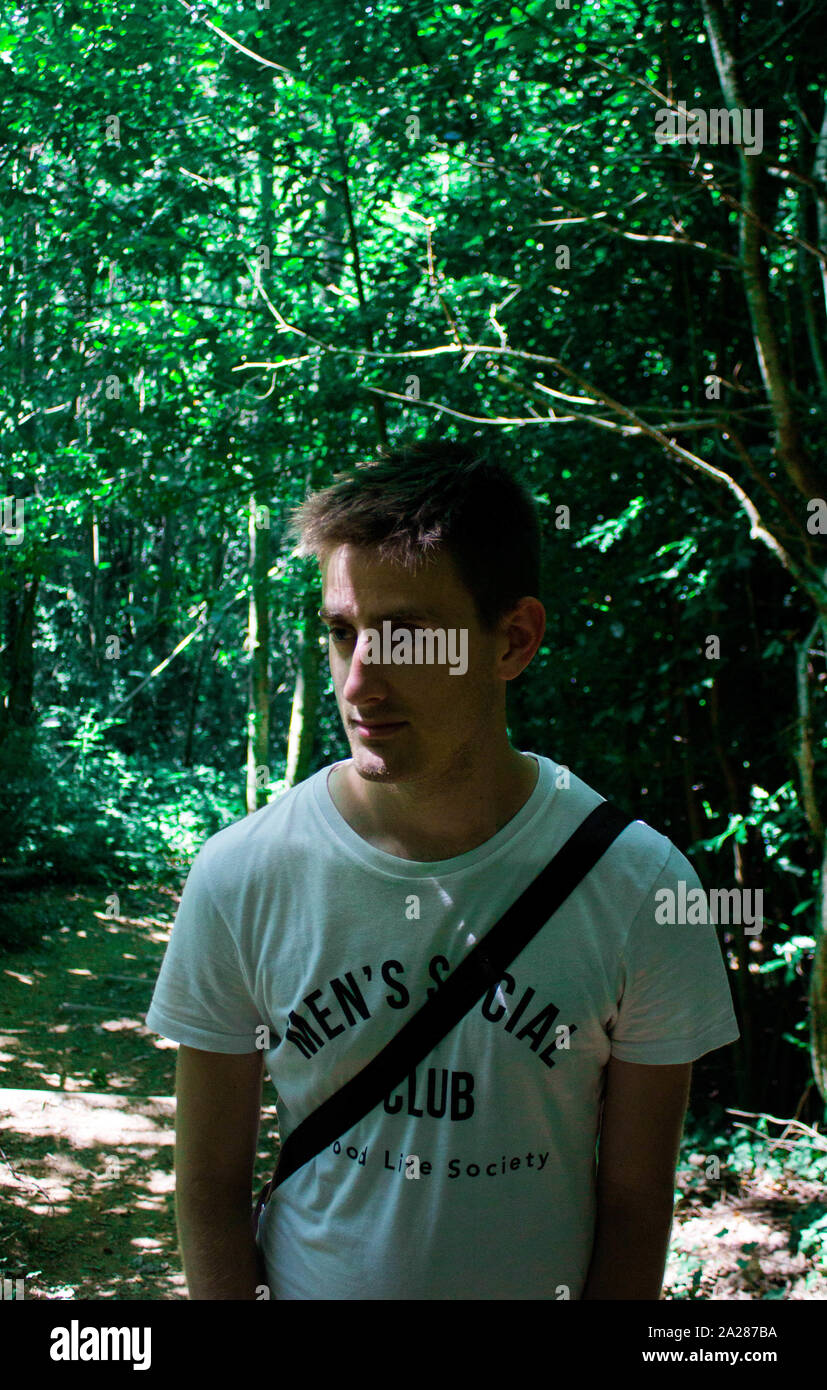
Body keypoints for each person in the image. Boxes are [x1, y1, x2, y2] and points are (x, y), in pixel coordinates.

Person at [145, 438, 739, 1300]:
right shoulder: (243, 875)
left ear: (513, 641)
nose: (359, 682)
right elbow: (207, 1187)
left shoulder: (639, 889)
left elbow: (637, 1200)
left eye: (407, 636)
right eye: (342, 633)